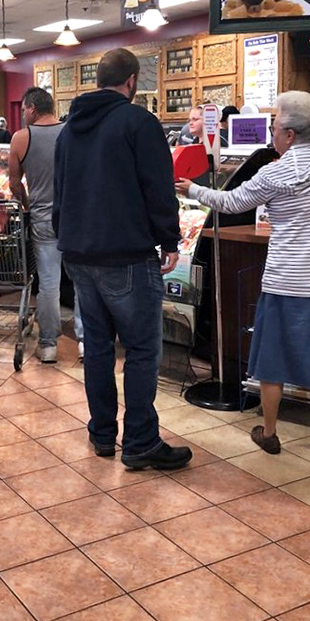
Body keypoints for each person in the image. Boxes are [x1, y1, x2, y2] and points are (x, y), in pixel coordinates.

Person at [177, 91, 310, 461]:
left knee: (273, 357)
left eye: (273, 127)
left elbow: (232, 202)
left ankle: (269, 432)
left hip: (288, 280)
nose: (271, 133)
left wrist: (194, 189)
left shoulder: (275, 171)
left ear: (287, 133)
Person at [53, 48, 192, 471]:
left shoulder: (68, 129)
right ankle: (140, 441)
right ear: (131, 81)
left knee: (96, 348)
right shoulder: (139, 122)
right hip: (126, 254)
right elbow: (158, 187)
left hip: (78, 253)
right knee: (141, 350)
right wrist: (170, 240)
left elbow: (60, 193)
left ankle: (101, 435)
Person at [9, 86, 83, 363]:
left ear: (30, 108)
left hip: (42, 217)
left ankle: (49, 344)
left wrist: (27, 204)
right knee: (81, 282)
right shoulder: (73, 132)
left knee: (49, 284)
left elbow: (15, 185)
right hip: (76, 218)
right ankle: (86, 342)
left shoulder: (21, 138)